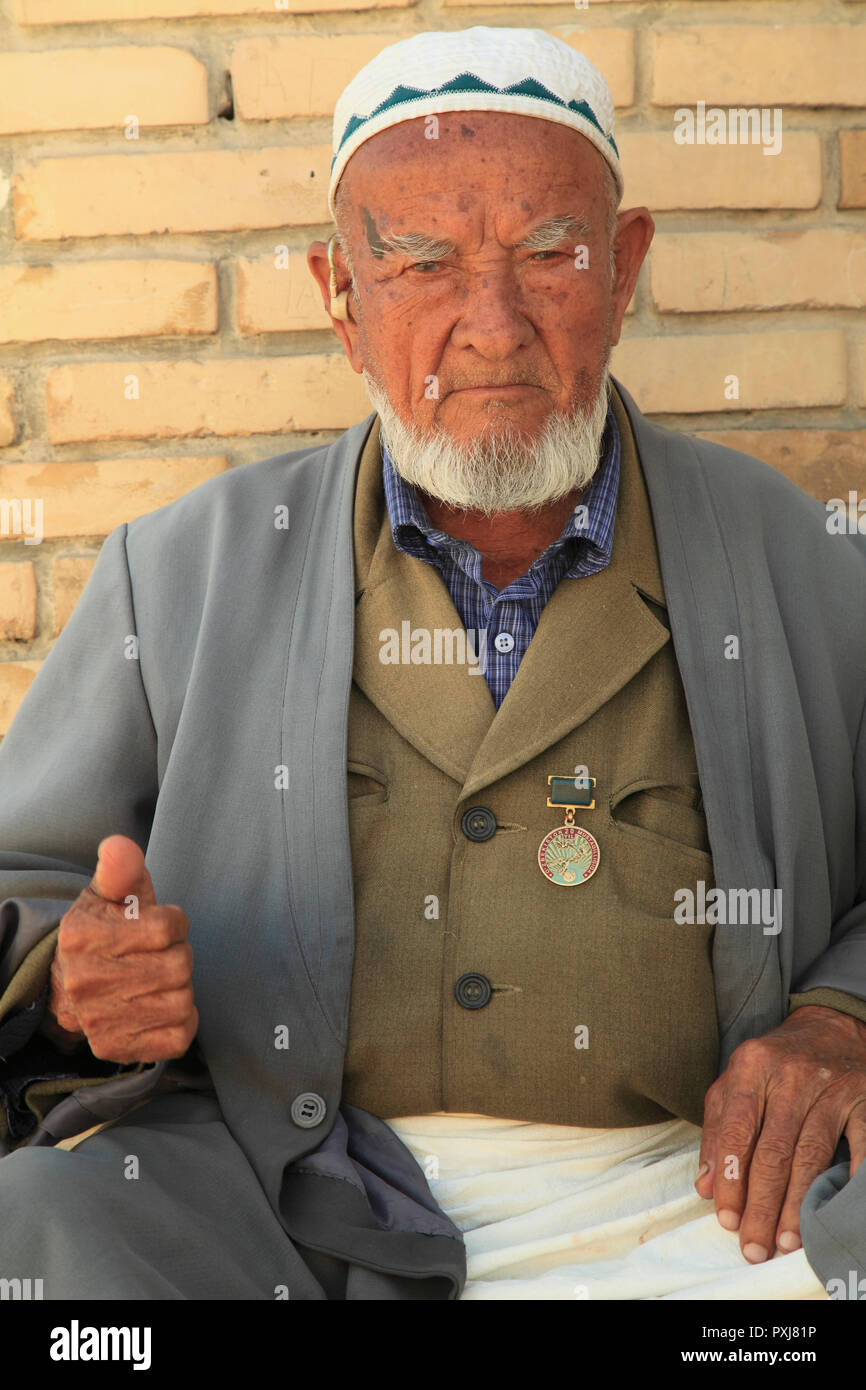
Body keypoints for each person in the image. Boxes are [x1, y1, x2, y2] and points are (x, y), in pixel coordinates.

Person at [0, 26, 864, 1301]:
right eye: (419, 264)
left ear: (622, 270)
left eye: (549, 253)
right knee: (45, 1247)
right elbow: (28, 890)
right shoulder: (179, 573)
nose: (492, 325)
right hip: (280, 1200)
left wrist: (837, 1018)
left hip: (711, 1209)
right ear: (339, 297)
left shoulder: (788, 557)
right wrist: (75, 989)